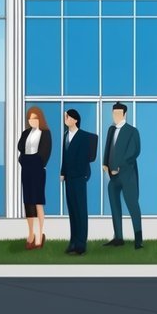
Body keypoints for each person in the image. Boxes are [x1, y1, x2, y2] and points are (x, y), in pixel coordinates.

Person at [102, 102, 143, 249]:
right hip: (112, 176)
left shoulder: (132, 131)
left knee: (132, 205)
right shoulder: (110, 130)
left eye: (118, 113)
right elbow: (107, 147)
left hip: (127, 175)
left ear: (125, 114)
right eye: (114, 113)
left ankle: (138, 239)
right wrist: (105, 163)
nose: (115, 115)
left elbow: (134, 151)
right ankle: (118, 237)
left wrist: (120, 166)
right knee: (114, 206)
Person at [60, 108, 97, 256]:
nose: (66, 118)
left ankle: (81, 244)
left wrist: (82, 173)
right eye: (65, 116)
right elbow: (65, 156)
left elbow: (86, 158)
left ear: (75, 120)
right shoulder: (65, 136)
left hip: (79, 177)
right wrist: (62, 172)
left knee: (81, 210)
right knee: (72, 210)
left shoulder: (83, 137)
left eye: (68, 117)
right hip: (68, 178)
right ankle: (73, 242)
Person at [18, 106, 53, 250]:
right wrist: (27, 159)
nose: (32, 121)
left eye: (34, 118)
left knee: (38, 201)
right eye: (29, 118)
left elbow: (43, 155)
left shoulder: (45, 134)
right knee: (28, 202)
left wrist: (28, 158)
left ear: (40, 118)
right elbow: (20, 148)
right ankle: (30, 234)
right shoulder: (26, 133)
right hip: (26, 171)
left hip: (38, 171)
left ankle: (40, 234)